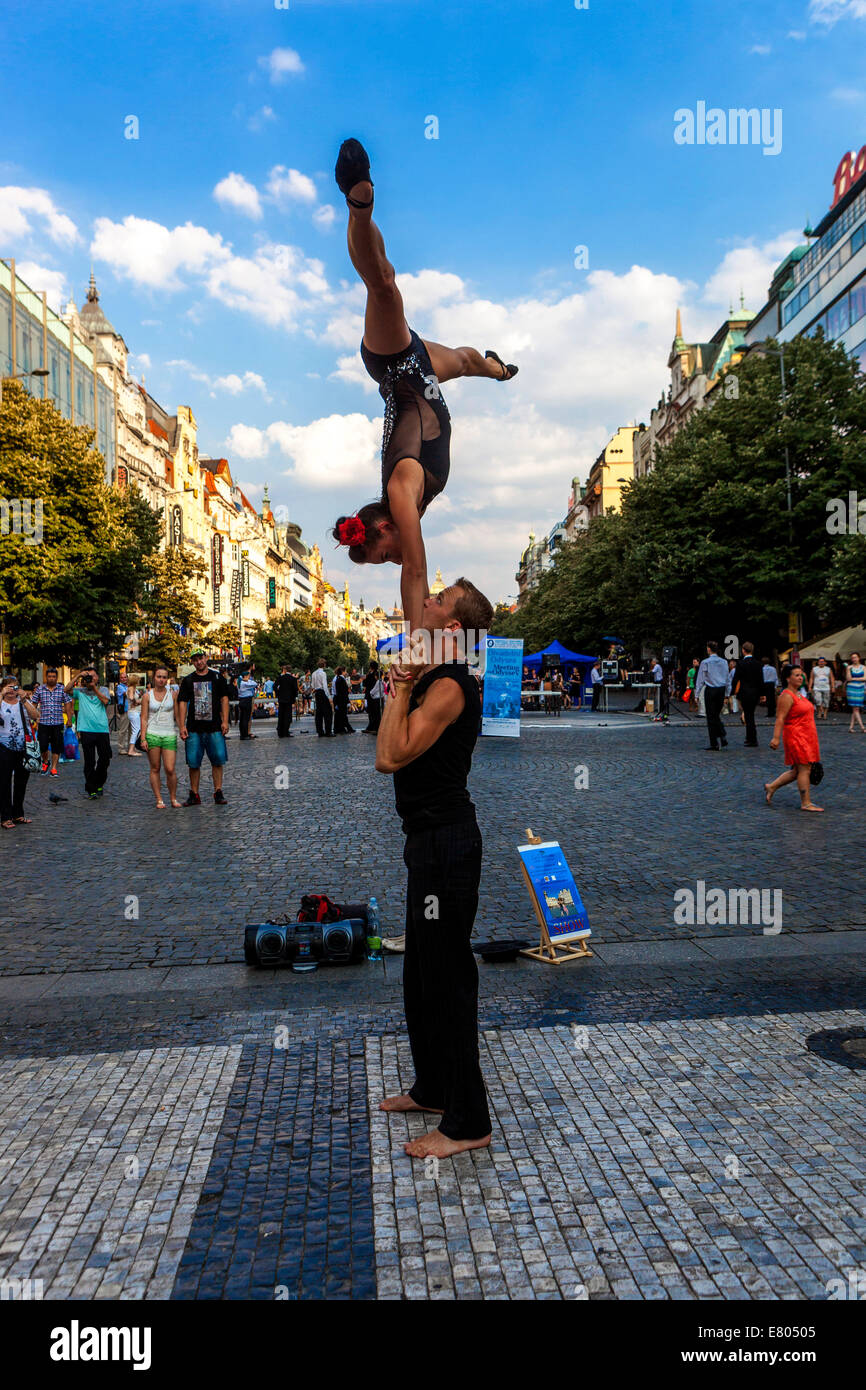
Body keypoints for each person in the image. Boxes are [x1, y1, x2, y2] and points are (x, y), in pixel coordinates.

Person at [329, 137, 518, 635]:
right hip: (426, 372)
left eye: (381, 555)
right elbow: (406, 566)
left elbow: (414, 572)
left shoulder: (401, 494)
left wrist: (415, 648)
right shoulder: (406, 503)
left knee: (384, 284)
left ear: (384, 527)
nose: (392, 561)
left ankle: (357, 202)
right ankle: (497, 368)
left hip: (392, 362)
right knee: (466, 361)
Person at [375, 576, 494, 1161]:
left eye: (437, 600)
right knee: (420, 972)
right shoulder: (435, 672)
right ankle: (432, 1088)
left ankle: (468, 1119)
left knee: (448, 978)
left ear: (452, 630)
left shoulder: (448, 686)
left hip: (447, 844)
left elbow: (388, 756)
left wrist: (399, 686)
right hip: (425, 840)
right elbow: (412, 579)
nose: (425, 602)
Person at [765, 666, 823, 812]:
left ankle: (771, 786)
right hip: (797, 736)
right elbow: (780, 718)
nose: (800, 678)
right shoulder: (786, 696)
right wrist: (775, 738)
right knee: (804, 768)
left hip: (807, 736)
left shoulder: (798, 694)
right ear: (787, 678)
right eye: (796, 675)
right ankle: (806, 803)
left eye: (801, 675)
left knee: (797, 770)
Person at [176, 648, 229, 806]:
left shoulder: (217, 677)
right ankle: (194, 794)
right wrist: (181, 725)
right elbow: (182, 703)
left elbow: (224, 699)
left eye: (201, 658)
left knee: (218, 760)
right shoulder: (188, 680)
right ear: (192, 662)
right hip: (194, 728)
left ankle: (218, 791)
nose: (198, 662)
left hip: (214, 727)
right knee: (193, 763)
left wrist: (225, 721)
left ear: (206, 658)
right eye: (195, 659)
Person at [65, 667, 112, 798]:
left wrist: (94, 688)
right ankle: (91, 788)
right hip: (86, 730)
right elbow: (66, 690)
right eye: (88, 677)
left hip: (102, 729)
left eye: (92, 676)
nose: (90, 679)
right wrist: (78, 675)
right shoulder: (80, 691)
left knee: (105, 759)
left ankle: (98, 783)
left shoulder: (104, 690)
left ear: (97, 677)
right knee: (89, 761)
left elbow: (106, 701)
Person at [140, 666, 182, 808]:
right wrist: (143, 738)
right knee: (155, 767)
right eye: (159, 676)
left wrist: (182, 728)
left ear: (167, 679)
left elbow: (177, 715)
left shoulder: (173, 694)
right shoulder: (147, 696)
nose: (161, 680)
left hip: (169, 733)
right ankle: (159, 799)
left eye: (164, 677)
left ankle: (173, 798)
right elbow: (144, 718)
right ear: (154, 678)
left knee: (170, 768)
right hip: (153, 733)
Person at [0, 676, 38, 828]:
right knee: (4, 782)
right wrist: (1, 694)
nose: (12, 691)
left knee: (21, 782)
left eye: (14, 687)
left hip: (23, 747)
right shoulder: (1, 703)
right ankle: (5, 816)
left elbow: (36, 716)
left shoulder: (23, 703)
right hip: (3, 746)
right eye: (8, 687)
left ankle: (18, 814)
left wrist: (24, 700)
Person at [694, 640, 731, 750]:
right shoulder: (724, 662)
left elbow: (700, 679)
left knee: (711, 717)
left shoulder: (705, 662)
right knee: (715, 715)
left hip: (710, 690)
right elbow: (728, 678)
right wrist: (727, 694)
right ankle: (721, 736)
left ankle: (715, 741)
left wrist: (696, 694)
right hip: (721, 690)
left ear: (709, 649)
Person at [32, 666, 67, 775]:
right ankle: (46, 762)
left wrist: (68, 717)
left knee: (57, 746)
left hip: (58, 723)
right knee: (43, 746)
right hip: (43, 723)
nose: (51, 678)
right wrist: (35, 718)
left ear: (56, 678)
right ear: (46, 677)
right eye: (49, 676)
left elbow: (68, 703)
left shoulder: (62, 689)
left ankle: (54, 768)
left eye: (54, 676)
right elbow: (33, 704)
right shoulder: (40, 689)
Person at [734, 641, 764, 747]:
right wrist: (762, 694)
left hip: (745, 692)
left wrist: (733, 691)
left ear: (743, 650)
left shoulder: (741, 664)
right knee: (750, 715)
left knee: (748, 716)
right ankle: (750, 737)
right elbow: (761, 680)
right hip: (755, 693)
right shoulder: (758, 664)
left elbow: (736, 678)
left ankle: (752, 739)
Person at [275, 664, 298, 738]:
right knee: (287, 716)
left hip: (281, 699)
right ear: (290, 670)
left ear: (285, 670)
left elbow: (275, 687)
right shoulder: (293, 679)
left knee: (281, 715)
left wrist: (278, 694)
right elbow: (295, 690)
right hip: (289, 700)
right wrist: (294, 698)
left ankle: (280, 732)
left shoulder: (280, 678)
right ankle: (286, 731)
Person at [311, 658, 333, 737]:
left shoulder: (313, 673)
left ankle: (320, 731)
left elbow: (312, 685)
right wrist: (329, 697)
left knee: (319, 713)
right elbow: (325, 686)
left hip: (317, 693)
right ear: (324, 665)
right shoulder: (323, 673)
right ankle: (328, 731)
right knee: (328, 713)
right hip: (323, 693)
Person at [808, 657, 835, 721]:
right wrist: (809, 687)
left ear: (825, 662)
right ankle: (820, 713)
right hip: (817, 688)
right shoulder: (814, 669)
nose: (821, 663)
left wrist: (833, 687)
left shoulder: (828, 669)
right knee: (818, 701)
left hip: (826, 688)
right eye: (820, 661)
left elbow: (832, 678)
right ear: (818, 662)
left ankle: (825, 714)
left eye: (823, 661)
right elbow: (811, 678)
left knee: (826, 702)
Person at [845, 652, 865, 733]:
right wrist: (850, 671)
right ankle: (862, 727)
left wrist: (855, 679)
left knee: (856, 708)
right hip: (851, 689)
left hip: (860, 688)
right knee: (856, 708)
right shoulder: (849, 667)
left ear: (859, 658)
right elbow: (849, 679)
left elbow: (865, 678)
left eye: (855, 657)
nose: (854, 659)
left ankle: (851, 727)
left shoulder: (863, 667)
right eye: (852, 658)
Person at [332, 666, 354, 734]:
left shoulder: (337, 678)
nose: (346, 672)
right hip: (340, 699)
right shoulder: (340, 679)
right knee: (342, 714)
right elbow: (342, 691)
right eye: (345, 671)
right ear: (343, 671)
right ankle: (342, 728)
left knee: (339, 715)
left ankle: (339, 728)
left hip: (338, 698)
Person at [238, 669, 258, 740]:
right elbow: (255, 684)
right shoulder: (244, 683)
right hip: (246, 701)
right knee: (245, 719)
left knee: (243, 718)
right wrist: (247, 680)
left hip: (243, 700)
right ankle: (244, 734)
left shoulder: (241, 682)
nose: (249, 677)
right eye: (248, 676)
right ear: (245, 676)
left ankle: (243, 734)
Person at [126, 676, 143, 757]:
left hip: (134, 712)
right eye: (138, 680)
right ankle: (131, 750)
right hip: (133, 712)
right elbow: (131, 697)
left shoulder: (133, 688)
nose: (139, 681)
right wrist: (137, 702)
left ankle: (133, 748)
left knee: (136, 730)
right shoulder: (131, 688)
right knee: (136, 730)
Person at [364, 660, 382, 733]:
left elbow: (365, 683)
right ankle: (372, 726)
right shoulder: (377, 674)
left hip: (371, 695)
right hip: (374, 695)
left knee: (372, 712)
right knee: (374, 712)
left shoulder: (370, 675)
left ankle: (372, 727)